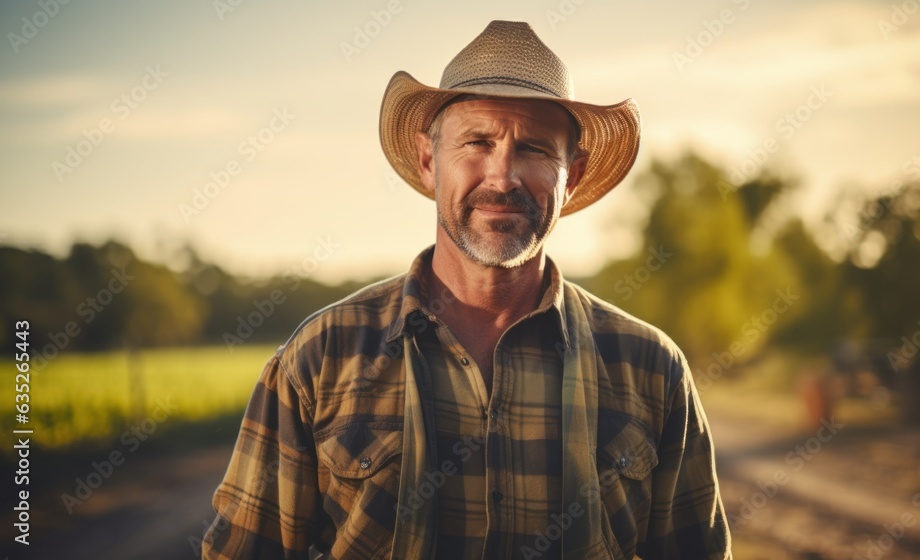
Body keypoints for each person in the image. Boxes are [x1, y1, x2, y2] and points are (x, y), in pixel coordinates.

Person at [203, 20, 731, 560]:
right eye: (478, 142)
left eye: (533, 149)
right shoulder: (320, 358)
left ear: (572, 175)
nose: (502, 178)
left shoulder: (651, 366)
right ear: (429, 161)